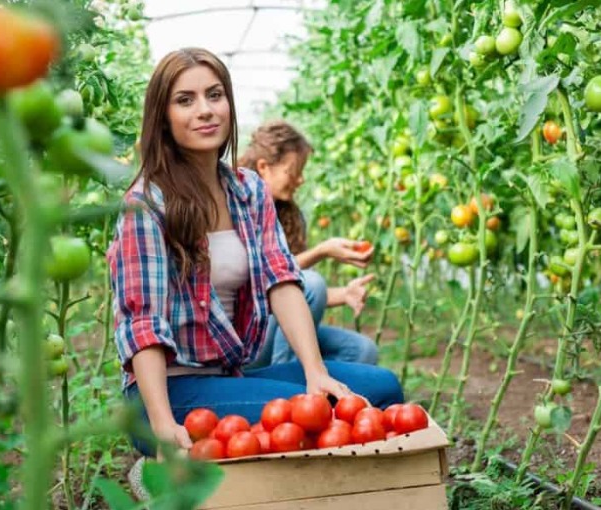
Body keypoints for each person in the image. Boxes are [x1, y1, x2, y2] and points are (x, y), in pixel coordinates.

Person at [107, 47, 404, 457]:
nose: (206, 110)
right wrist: (161, 425)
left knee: (381, 386)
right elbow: (143, 325)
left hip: (230, 377)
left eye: (215, 95)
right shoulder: (146, 205)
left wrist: (316, 372)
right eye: (185, 100)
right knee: (313, 418)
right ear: (163, 117)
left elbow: (281, 280)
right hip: (169, 395)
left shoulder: (248, 190)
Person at [239, 121, 379, 367]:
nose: (301, 179)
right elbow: (258, 279)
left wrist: (344, 294)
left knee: (361, 350)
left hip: (274, 325)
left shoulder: (291, 216)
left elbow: (292, 291)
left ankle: (326, 402)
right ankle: (286, 386)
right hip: (245, 333)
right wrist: (322, 251)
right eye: (293, 171)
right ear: (264, 167)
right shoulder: (236, 207)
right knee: (312, 282)